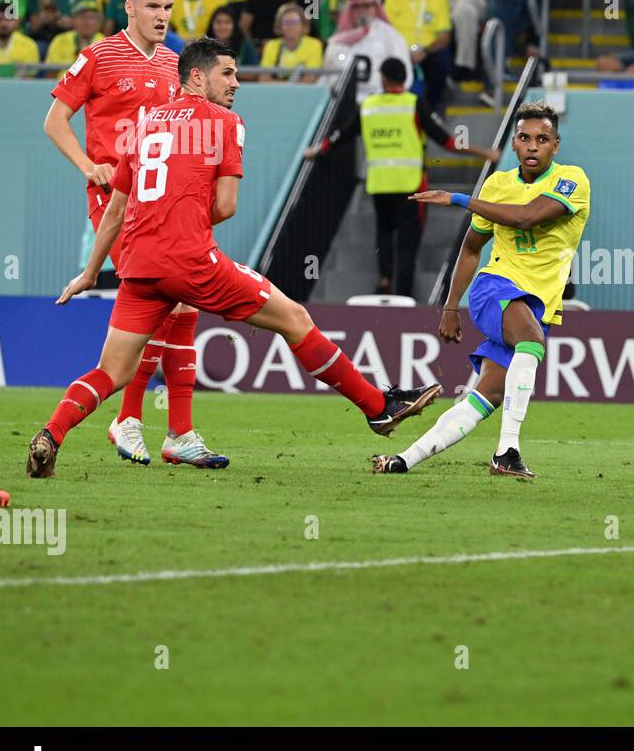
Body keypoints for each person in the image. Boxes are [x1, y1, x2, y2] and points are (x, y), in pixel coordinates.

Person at [28, 38, 442, 479]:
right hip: (191, 261)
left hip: (138, 267)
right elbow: (226, 207)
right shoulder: (225, 122)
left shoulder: (144, 124)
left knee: (110, 371)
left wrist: (91, 272)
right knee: (295, 318)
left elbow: (116, 209)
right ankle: (377, 408)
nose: (236, 83)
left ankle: (51, 436)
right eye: (227, 73)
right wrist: (181, 217)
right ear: (196, 76)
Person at [43, 0, 225, 469]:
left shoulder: (175, 65)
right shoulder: (99, 56)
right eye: (153, 7)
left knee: (184, 303)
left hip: (159, 203)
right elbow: (54, 120)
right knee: (161, 300)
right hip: (115, 200)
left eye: (168, 8)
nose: (163, 16)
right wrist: (89, 166)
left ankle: (175, 432)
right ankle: (134, 420)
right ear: (129, 7)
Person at [373, 100, 590, 480]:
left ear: (556, 145)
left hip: (539, 304)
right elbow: (472, 247)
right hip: (495, 287)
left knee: (486, 396)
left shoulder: (571, 180)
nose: (533, 146)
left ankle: (404, 459)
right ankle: (507, 453)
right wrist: (451, 306)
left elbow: (528, 216)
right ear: (514, 145)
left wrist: (458, 199)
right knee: (531, 341)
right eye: (524, 138)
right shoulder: (497, 185)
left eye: (542, 139)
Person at [319, 56, 496, 295]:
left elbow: (343, 134)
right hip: (411, 185)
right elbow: (447, 141)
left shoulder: (369, 106)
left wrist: (319, 149)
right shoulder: (413, 103)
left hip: (380, 184)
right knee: (407, 242)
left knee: (383, 234)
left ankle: (384, 282)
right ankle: (403, 291)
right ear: (404, 78)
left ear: (383, 78)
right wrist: (485, 152)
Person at [383, 0, 450, 107]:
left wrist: (425, 51)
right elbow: (385, 29)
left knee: (441, 58)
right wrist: (401, 49)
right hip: (398, 50)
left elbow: (444, 37)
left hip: (426, 53)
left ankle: (433, 108)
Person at [259, 0, 322, 74]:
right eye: (286, 22)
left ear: (303, 25)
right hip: (276, 86)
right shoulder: (271, 45)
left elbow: (310, 78)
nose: (291, 26)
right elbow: (264, 78)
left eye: (295, 22)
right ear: (279, 26)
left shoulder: (314, 45)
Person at [43, 0, 104, 71]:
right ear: (73, 20)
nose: (87, 22)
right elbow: (50, 73)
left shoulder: (107, 45)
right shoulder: (60, 41)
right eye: (82, 17)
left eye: (92, 17)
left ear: (99, 22)